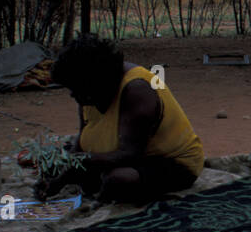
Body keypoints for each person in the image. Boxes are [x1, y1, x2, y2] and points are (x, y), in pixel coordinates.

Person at [38, 35, 204, 203]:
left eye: (76, 88)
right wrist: (58, 181)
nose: (72, 95)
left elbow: (131, 154)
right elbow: (81, 142)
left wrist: (82, 162)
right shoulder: (89, 92)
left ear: (94, 81)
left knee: (118, 180)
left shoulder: (137, 90)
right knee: (54, 166)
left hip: (170, 163)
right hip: (121, 158)